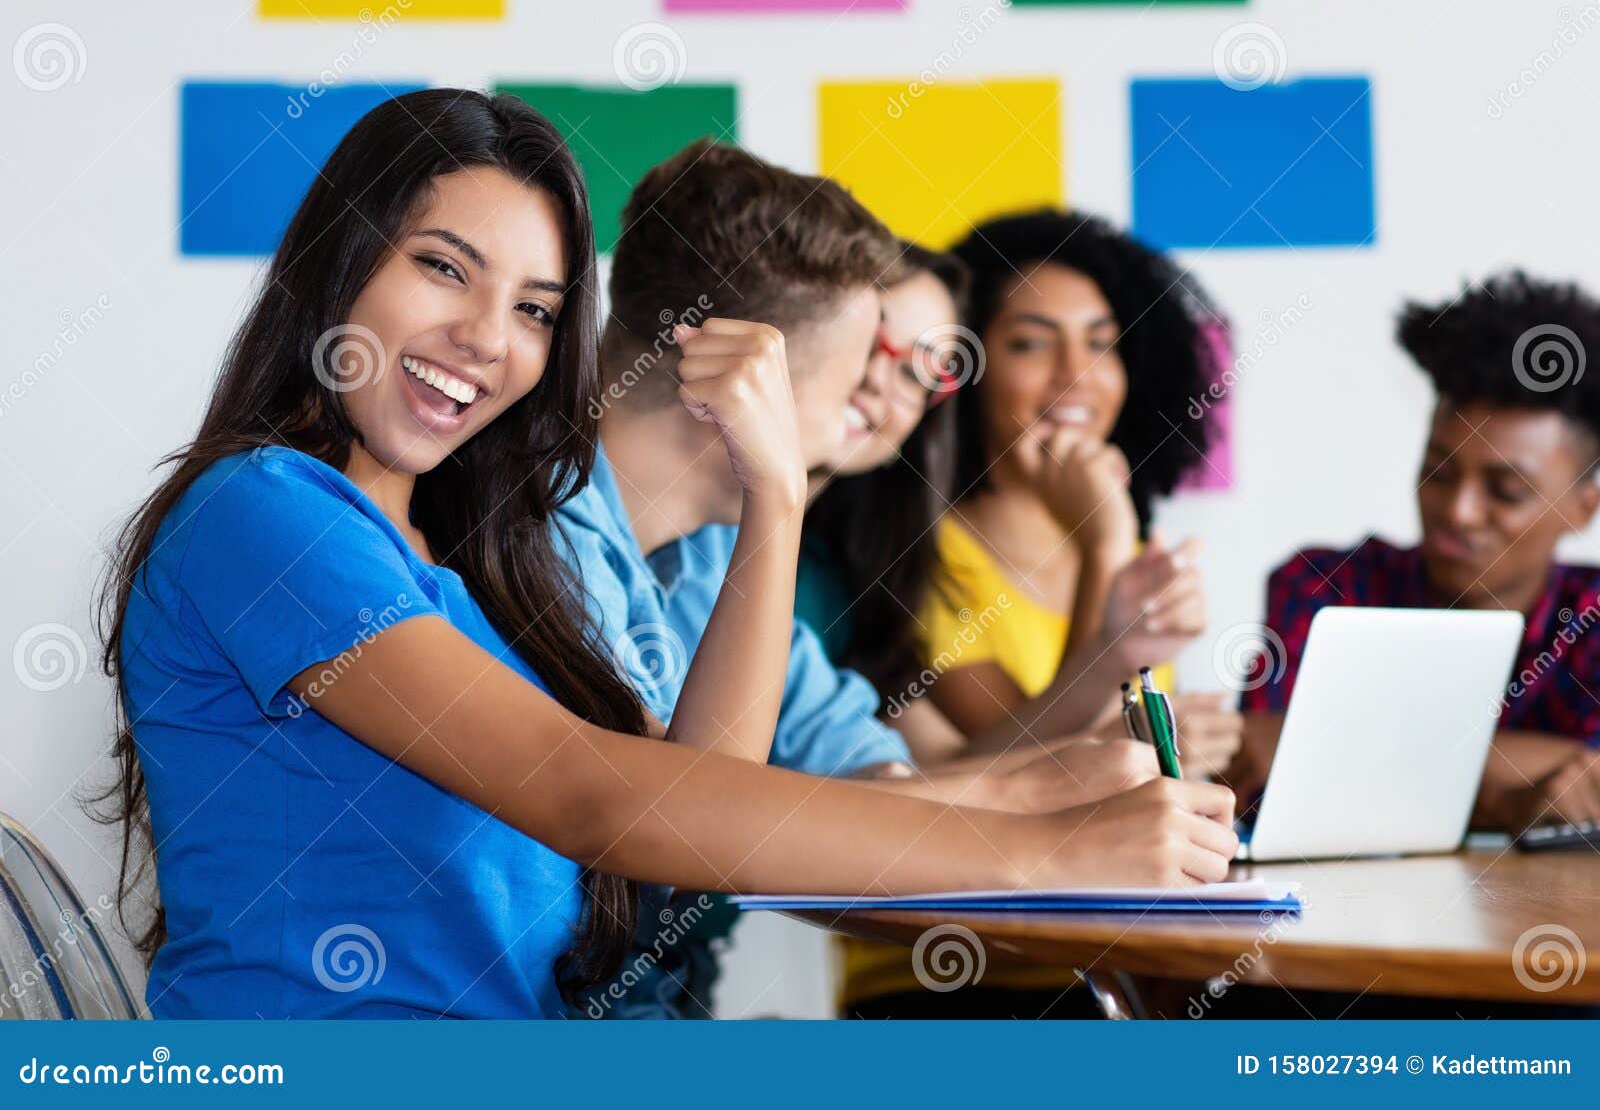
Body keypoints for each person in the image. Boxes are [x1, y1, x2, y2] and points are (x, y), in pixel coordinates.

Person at [98, 91, 1237, 1020]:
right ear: (343, 257)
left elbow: (696, 812)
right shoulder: (265, 515)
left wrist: (779, 501)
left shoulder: (458, 551)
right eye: (444, 267)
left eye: (538, 309)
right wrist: (1039, 844)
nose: (490, 338)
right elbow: (595, 796)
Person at [555, 145, 1225, 1017]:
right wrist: (1034, 800)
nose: (880, 399)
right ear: (744, 373)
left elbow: (869, 783)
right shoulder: (531, 544)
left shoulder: (714, 559)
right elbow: (693, 824)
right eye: (861, 367)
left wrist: (1060, 786)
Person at [1234, 272, 1600, 832]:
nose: (1460, 511)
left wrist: (1339, 749)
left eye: (1506, 492)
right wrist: (1516, 796)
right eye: (1439, 471)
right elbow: (1259, 758)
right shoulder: (1325, 585)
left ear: (1583, 507)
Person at [913, 210, 1242, 770]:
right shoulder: (925, 563)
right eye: (1031, 344)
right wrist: (1103, 543)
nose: (1077, 375)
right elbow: (1021, 774)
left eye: (1100, 344)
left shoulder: (1132, 545)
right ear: (967, 368)